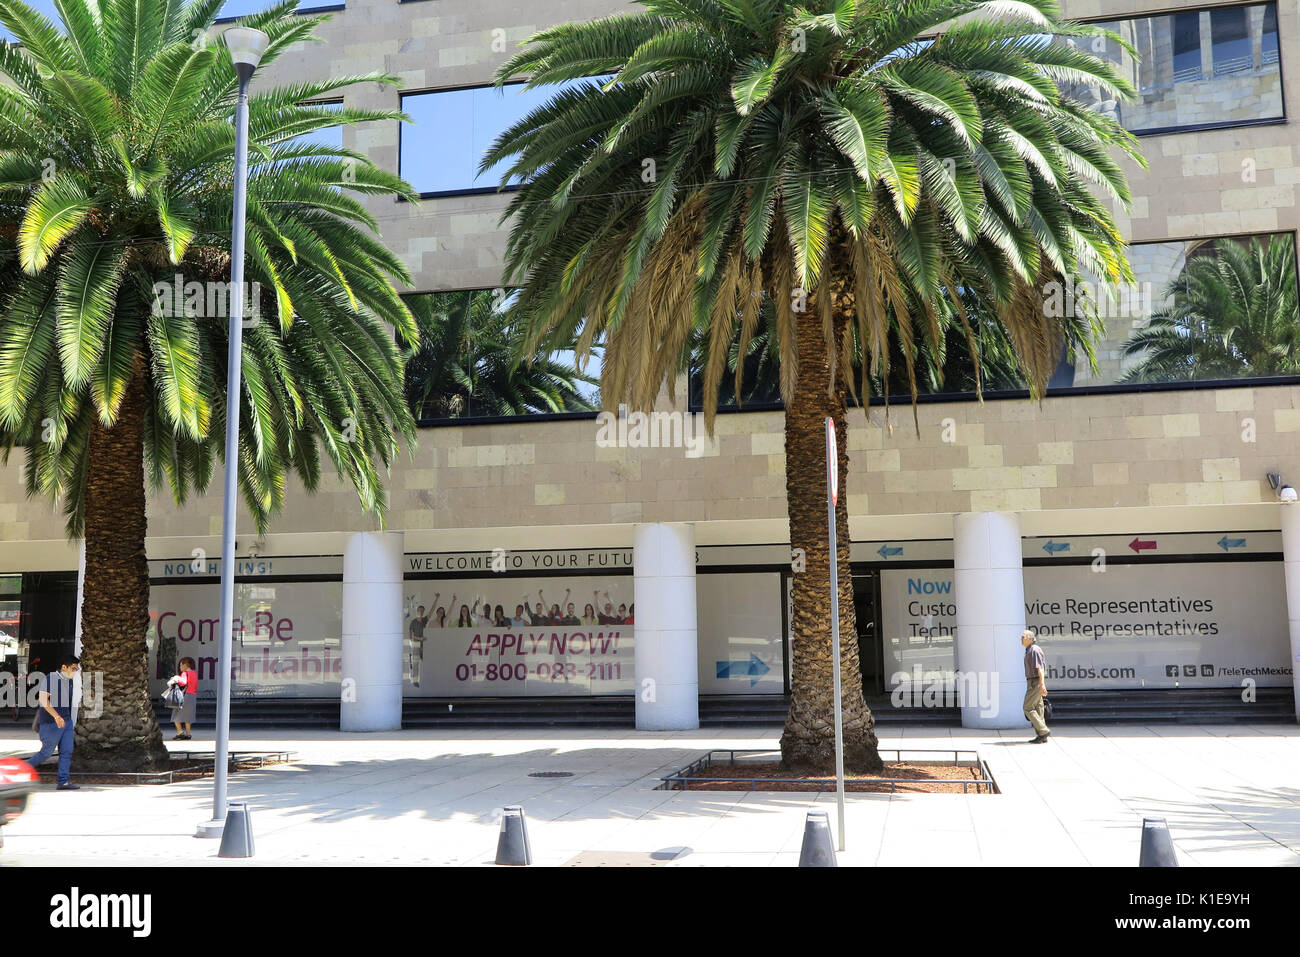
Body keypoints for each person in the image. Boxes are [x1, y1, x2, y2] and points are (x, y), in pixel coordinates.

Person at [27, 655, 80, 790]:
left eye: (76, 668)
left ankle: (63, 781)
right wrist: (56, 716)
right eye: (73, 668)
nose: (75, 671)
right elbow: (44, 700)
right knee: (46, 753)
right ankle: (19, 770)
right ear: (64, 667)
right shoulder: (51, 679)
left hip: (67, 722)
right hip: (51, 723)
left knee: (67, 752)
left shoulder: (69, 680)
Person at [1022, 629, 1051, 743]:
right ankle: (1041, 736)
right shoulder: (1029, 650)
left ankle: (1043, 730)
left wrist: (1042, 684)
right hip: (1033, 681)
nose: (1021, 639)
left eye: (1023, 637)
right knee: (1038, 708)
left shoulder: (1034, 650)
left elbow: (1040, 668)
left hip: (1035, 682)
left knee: (1028, 707)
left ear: (1030, 638)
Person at [167, 657, 199, 740]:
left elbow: (183, 682)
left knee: (176, 715)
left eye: (181, 665)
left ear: (185, 665)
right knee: (188, 716)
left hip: (185, 696)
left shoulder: (185, 673)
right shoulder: (194, 673)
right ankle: (188, 734)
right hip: (192, 696)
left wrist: (176, 679)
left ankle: (180, 732)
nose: (180, 667)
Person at [409, 604, 431, 687]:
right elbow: (410, 636)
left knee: (424, 663)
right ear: (417, 611)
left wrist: (437, 598)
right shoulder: (413, 622)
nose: (421, 612)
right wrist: (419, 638)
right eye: (419, 610)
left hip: (423, 645)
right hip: (416, 645)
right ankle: (415, 681)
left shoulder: (424, 620)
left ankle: (423, 680)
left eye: (422, 611)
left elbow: (431, 612)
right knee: (415, 664)